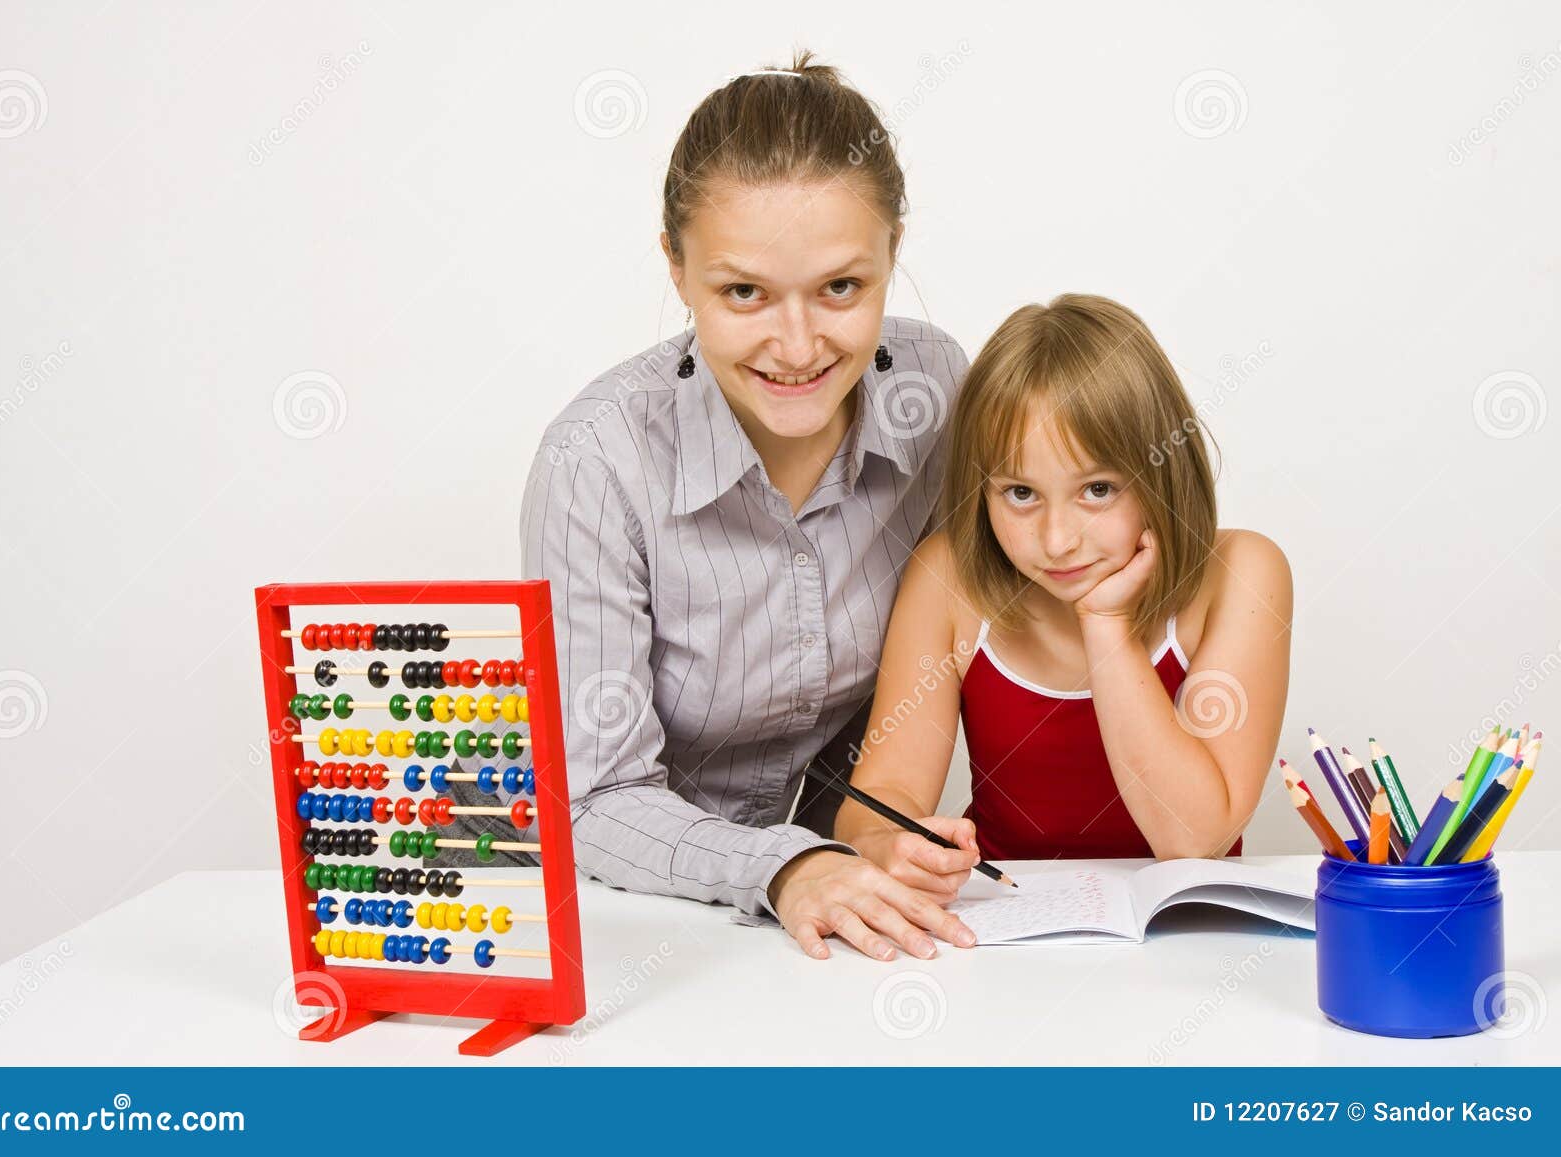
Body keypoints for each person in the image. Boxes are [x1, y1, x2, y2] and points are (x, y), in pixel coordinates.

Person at [442, 51, 976, 962]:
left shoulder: (936, 390)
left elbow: (943, 650)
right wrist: (787, 866)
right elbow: (594, 798)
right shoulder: (597, 462)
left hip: (828, 915)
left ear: (894, 252)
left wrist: (881, 830)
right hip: (619, 911)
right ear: (677, 270)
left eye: (843, 287)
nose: (798, 345)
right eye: (743, 293)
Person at [835, 294, 1293, 909]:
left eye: (1097, 489)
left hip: (1187, 936)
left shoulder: (1241, 572)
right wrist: (890, 843)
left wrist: (1106, 625)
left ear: (1162, 473)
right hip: (1007, 928)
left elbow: (1193, 839)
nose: (1056, 540)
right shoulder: (948, 576)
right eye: (1020, 493)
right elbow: (881, 796)